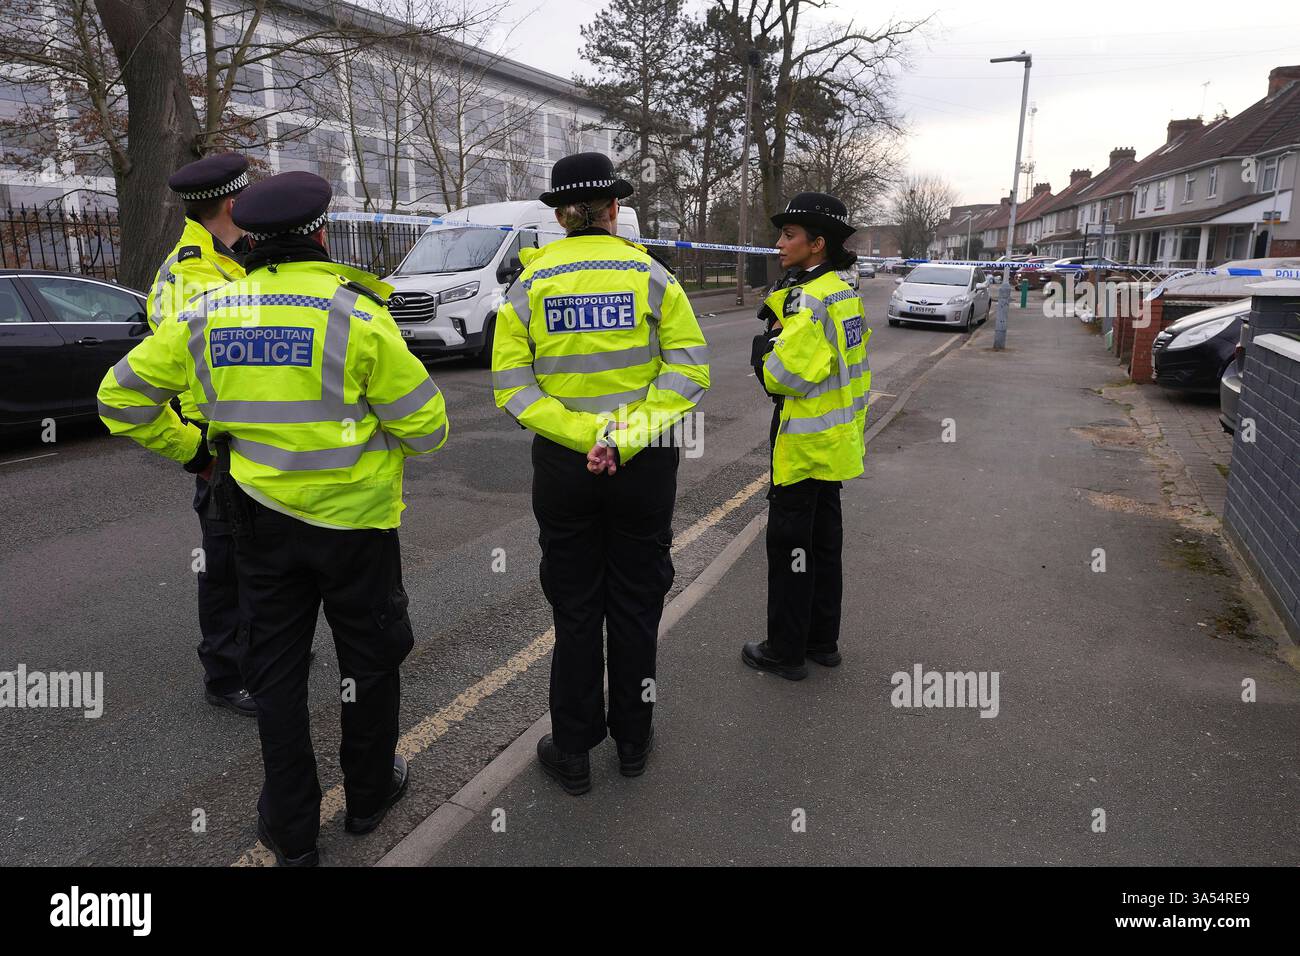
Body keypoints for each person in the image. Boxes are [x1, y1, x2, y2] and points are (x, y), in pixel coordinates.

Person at [98, 170, 449, 865]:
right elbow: (428, 428)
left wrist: (194, 452)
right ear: (321, 233)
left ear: (248, 238)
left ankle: (292, 831)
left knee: (279, 675)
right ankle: (370, 795)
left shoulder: (208, 312)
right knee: (370, 662)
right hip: (355, 529)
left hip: (256, 523)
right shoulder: (356, 313)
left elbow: (119, 398)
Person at [492, 152, 710, 795]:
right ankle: (635, 742)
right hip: (642, 465)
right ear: (614, 209)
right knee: (638, 603)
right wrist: (623, 437)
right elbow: (689, 370)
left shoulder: (528, 286)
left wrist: (586, 437)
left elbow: (511, 385)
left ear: (560, 214)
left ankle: (575, 749)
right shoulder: (653, 276)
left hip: (565, 466)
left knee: (577, 607)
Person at [140, 153, 254, 716]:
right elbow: (166, 382)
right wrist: (196, 455)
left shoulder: (228, 259)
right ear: (233, 203)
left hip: (244, 439)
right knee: (226, 565)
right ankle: (227, 675)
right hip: (216, 444)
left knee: (253, 556)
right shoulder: (195, 276)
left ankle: (253, 652)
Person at [743, 192, 870, 681]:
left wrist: (766, 344)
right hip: (836, 440)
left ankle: (785, 651)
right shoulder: (843, 289)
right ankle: (822, 641)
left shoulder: (812, 300)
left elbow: (781, 377)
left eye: (788, 235)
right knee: (822, 546)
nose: (778, 244)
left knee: (790, 549)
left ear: (817, 244)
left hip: (802, 441)